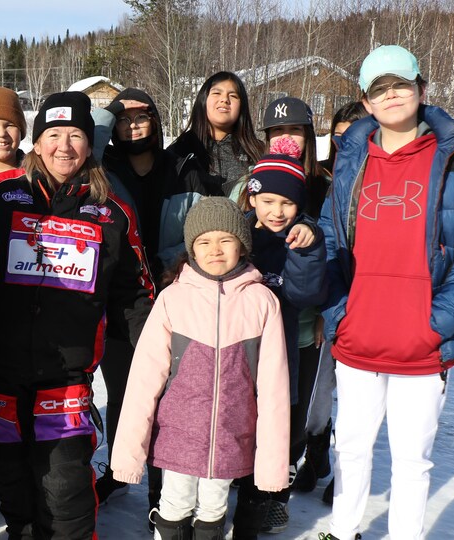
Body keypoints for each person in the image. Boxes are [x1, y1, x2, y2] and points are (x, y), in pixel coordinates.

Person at [318, 45, 454, 540]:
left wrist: (436, 321)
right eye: (379, 88)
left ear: (421, 89)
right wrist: (340, 313)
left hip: (422, 342)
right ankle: (343, 528)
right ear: (366, 102)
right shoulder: (352, 157)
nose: (391, 94)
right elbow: (331, 236)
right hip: (358, 335)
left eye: (400, 83)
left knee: (411, 460)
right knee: (350, 447)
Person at [0, 91, 154, 539]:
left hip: (66, 374)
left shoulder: (112, 212)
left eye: (75, 135)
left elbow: (135, 295)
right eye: (53, 134)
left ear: (90, 144)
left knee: (65, 488)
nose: (63, 146)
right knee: (12, 483)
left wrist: (158, 356)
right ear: (37, 141)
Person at [110, 196, 290, 540]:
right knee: (174, 504)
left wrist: (271, 465)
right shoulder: (173, 299)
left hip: (231, 436)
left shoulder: (262, 301)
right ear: (191, 248)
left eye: (226, 240)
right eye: (204, 241)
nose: (215, 249)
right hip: (178, 436)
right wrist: (129, 453)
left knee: (213, 508)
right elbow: (144, 381)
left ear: (242, 245)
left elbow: (274, 389)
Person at [92, 88, 207, 517]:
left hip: (174, 293)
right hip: (122, 301)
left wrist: (169, 263)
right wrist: (109, 110)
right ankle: (120, 469)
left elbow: (198, 224)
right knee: (125, 391)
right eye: (124, 118)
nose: (133, 124)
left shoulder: (180, 168)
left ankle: (164, 492)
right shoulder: (103, 168)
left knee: (169, 396)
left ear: (157, 122)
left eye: (143, 117)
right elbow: (91, 135)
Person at [231, 138, 327, 536]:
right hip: (245, 349)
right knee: (244, 423)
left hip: (293, 346)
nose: (277, 211)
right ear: (252, 198)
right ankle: (240, 490)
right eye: (268, 200)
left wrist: (307, 247)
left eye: (287, 204)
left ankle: (272, 502)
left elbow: (306, 293)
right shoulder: (239, 238)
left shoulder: (306, 238)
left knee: (286, 429)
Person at [297, 100, 369, 502]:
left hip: (368, 297)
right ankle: (316, 455)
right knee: (320, 387)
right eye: (339, 134)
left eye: (354, 132)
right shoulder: (322, 177)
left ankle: (346, 470)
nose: (346, 141)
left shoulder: (378, 175)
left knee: (357, 393)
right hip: (330, 296)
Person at [167, 71, 265, 197]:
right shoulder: (179, 152)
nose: (224, 99)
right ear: (203, 100)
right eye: (216, 93)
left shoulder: (258, 153)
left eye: (233, 96)